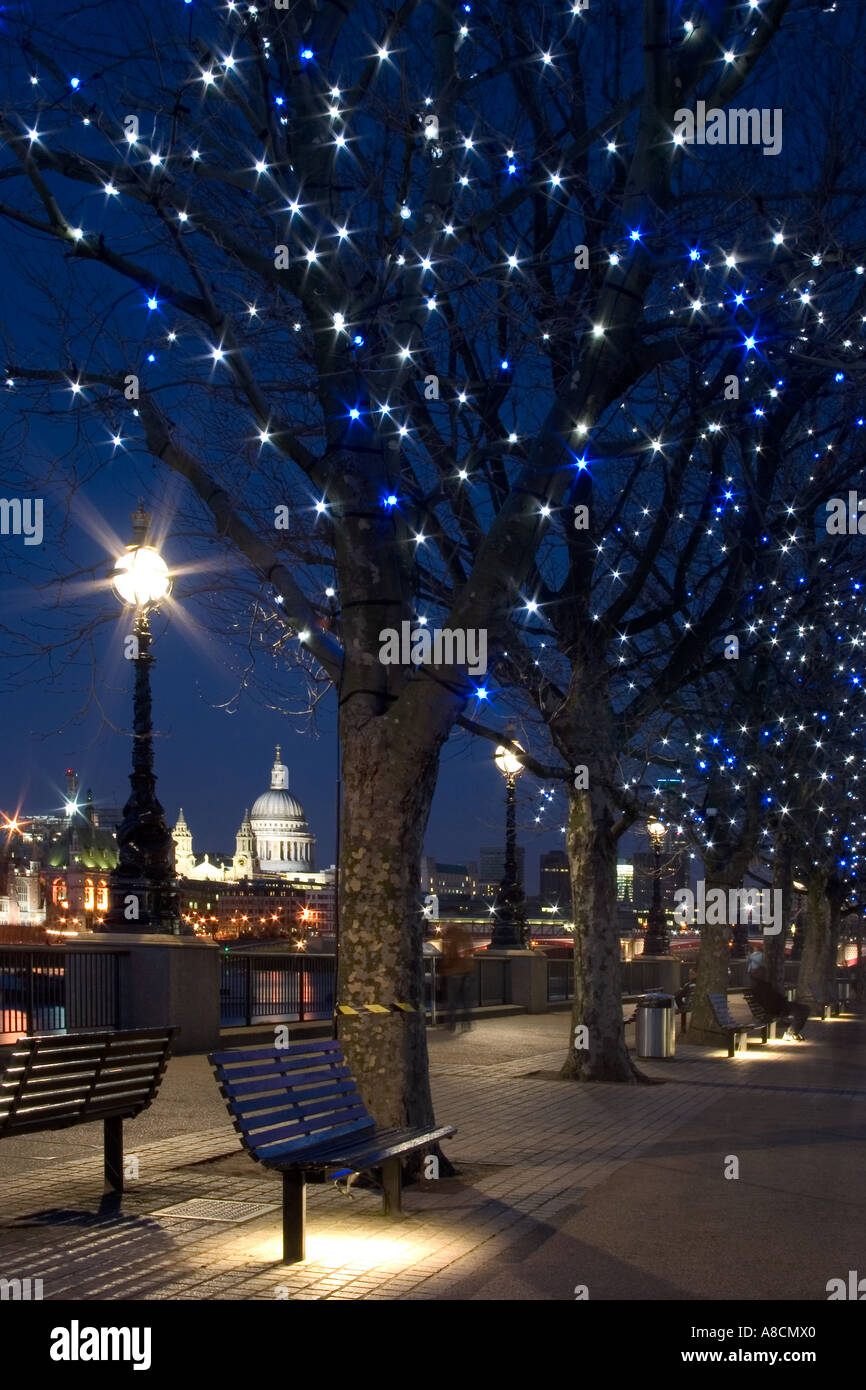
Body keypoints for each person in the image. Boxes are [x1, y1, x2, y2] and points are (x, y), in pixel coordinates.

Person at [747, 950, 808, 1040]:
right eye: (762, 970)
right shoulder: (760, 986)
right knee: (803, 1010)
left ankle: (792, 1033)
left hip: (777, 1007)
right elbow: (770, 1001)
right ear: (756, 972)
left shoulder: (760, 984)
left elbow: (771, 998)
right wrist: (782, 1003)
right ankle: (791, 1033)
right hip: (777, 1009)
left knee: (803, 1009)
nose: (764, 972)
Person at [439, 923, 475, 1032]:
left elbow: (448, 956)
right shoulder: (466, 936)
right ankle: (467, 1024)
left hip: (454, 972)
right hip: (468, 971)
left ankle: (451, 1025)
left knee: (452, 1001)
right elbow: (470, 952)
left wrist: (443, 968)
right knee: (466, 1000)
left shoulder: (449, 938)